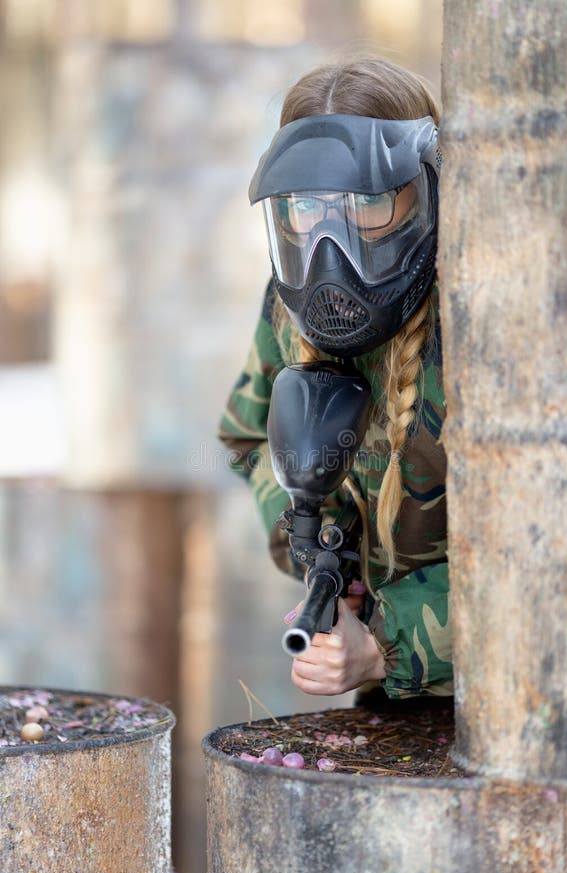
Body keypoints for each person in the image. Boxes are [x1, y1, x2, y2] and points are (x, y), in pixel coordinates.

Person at [218, 57, 452, 702]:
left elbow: (561, 555)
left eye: (367, 203)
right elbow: (248, 441)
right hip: (392, 710)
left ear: (424, 189)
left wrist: (389, 645)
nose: (329, 240)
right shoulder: (287, 306)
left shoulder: (487, 319)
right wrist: (324, 555)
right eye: (304, 207)